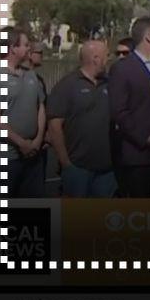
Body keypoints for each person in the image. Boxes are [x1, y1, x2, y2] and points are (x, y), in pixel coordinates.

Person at [109, 17, 150, 198]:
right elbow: (119, 112)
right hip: (139, 157)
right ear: (149, 36)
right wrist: (146, 138)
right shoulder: (122, 69)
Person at [0, 30, 46, 198]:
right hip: (4, 157)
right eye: (25, 44)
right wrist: (21, 143)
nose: (29, 48)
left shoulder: (31, 75)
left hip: (33, 153)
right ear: (12, 48)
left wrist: (37, 141)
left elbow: (40, 107)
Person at [47, 40, 116, 198]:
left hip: (107, 169)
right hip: (77, 169)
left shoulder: (109, 84)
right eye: (106, 56)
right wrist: (65, 163)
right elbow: (54, 127)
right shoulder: (67, 85)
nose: (109, 60)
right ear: (96, 59)